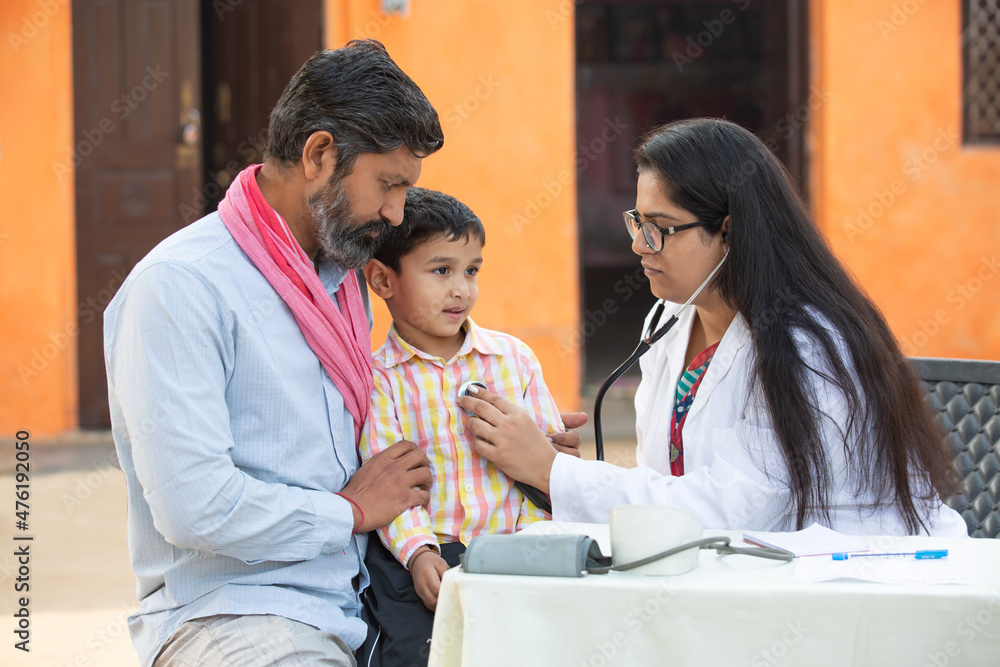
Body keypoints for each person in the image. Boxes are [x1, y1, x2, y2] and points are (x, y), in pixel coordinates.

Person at [459, 118, 969, 538]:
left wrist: (553, 473)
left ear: (728, 231)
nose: (640, 245)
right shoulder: (669, 321)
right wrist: (559, 467)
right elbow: (675, 487)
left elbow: (740, 512)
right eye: (637, 221)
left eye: (660, 228)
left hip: (854, 590)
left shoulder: (804, 345)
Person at [104, 41, 445, 667]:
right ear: (318, 155)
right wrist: (346, 513)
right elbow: (194, 506)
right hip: (236, 617)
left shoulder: (341, 280)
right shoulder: (182, 286)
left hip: (359, 603)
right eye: (388, 184)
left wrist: (511, 441)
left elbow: (377, 438)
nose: (397, 213)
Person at [356, 187, 565, 666]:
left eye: (472, 270)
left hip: (519, 552)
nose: (461, 289)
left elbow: (547, 460)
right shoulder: (378, 380)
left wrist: (538, 540)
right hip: (431, 561)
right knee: (427, 655)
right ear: (383, 280)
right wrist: (418, 552)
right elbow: (391, 486)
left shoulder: (513, 360)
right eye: (441, 270)